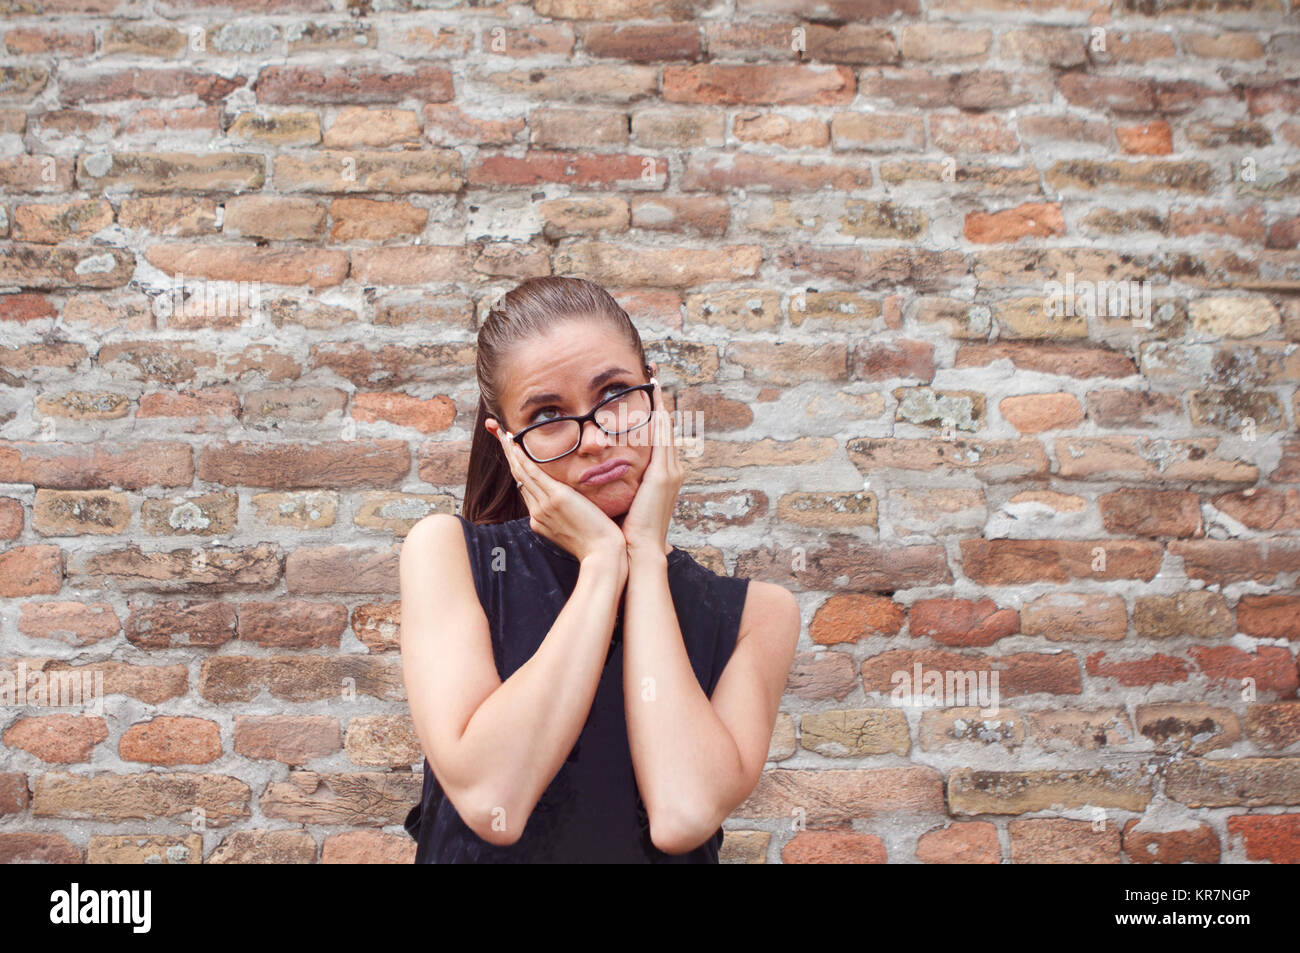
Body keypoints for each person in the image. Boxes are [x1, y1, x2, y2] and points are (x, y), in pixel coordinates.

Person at [399, 275, 800, 862]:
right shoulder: (448, 556)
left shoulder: (758, 615)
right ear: (508, 442)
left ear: (654, 395)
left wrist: (644, 557)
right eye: (547, 414)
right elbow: (492, 799)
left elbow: (683, 813)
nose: (594, 438)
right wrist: (603, 564)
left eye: (613, 395)